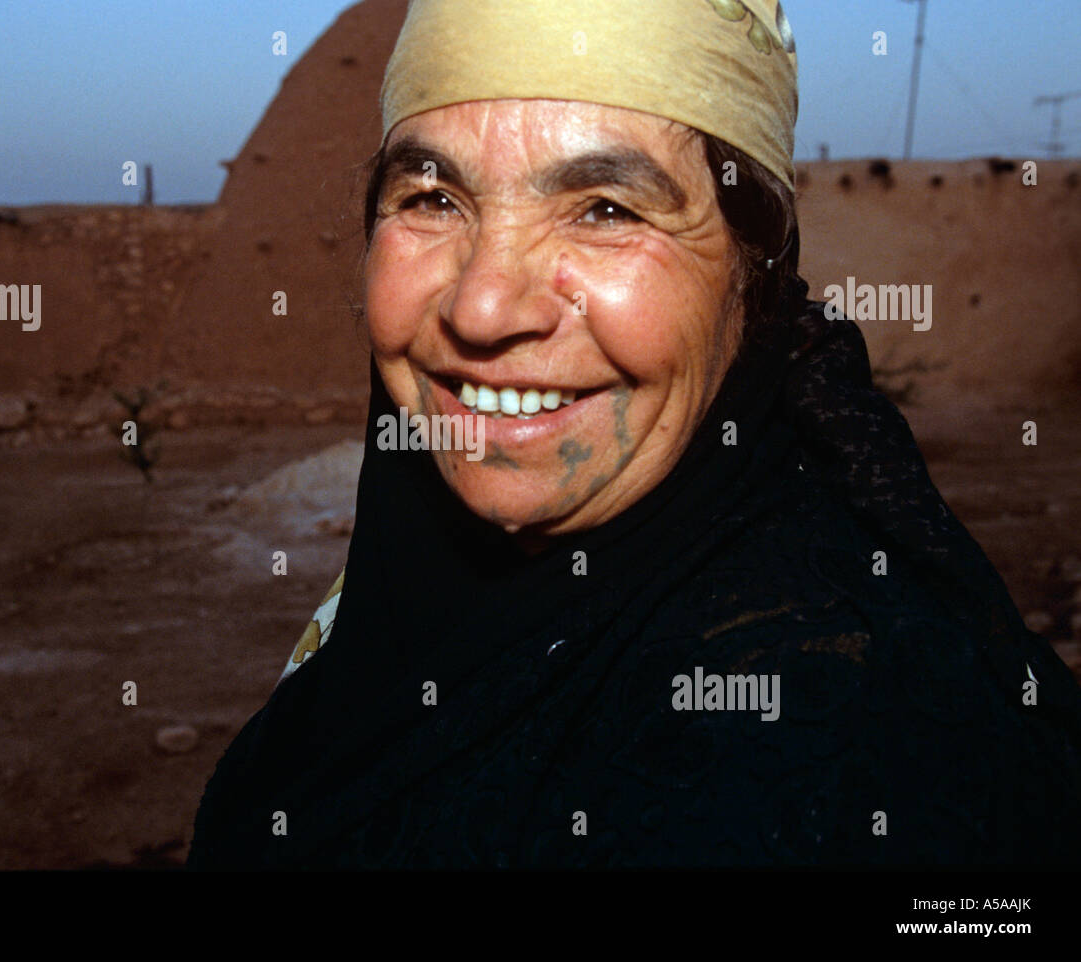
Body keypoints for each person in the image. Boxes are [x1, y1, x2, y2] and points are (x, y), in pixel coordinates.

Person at [189, 0, 1081, 868]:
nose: (483, 306)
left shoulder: (847, 741)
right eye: (432, 198)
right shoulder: (386, 618)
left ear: (753, 278)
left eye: (606, 209)